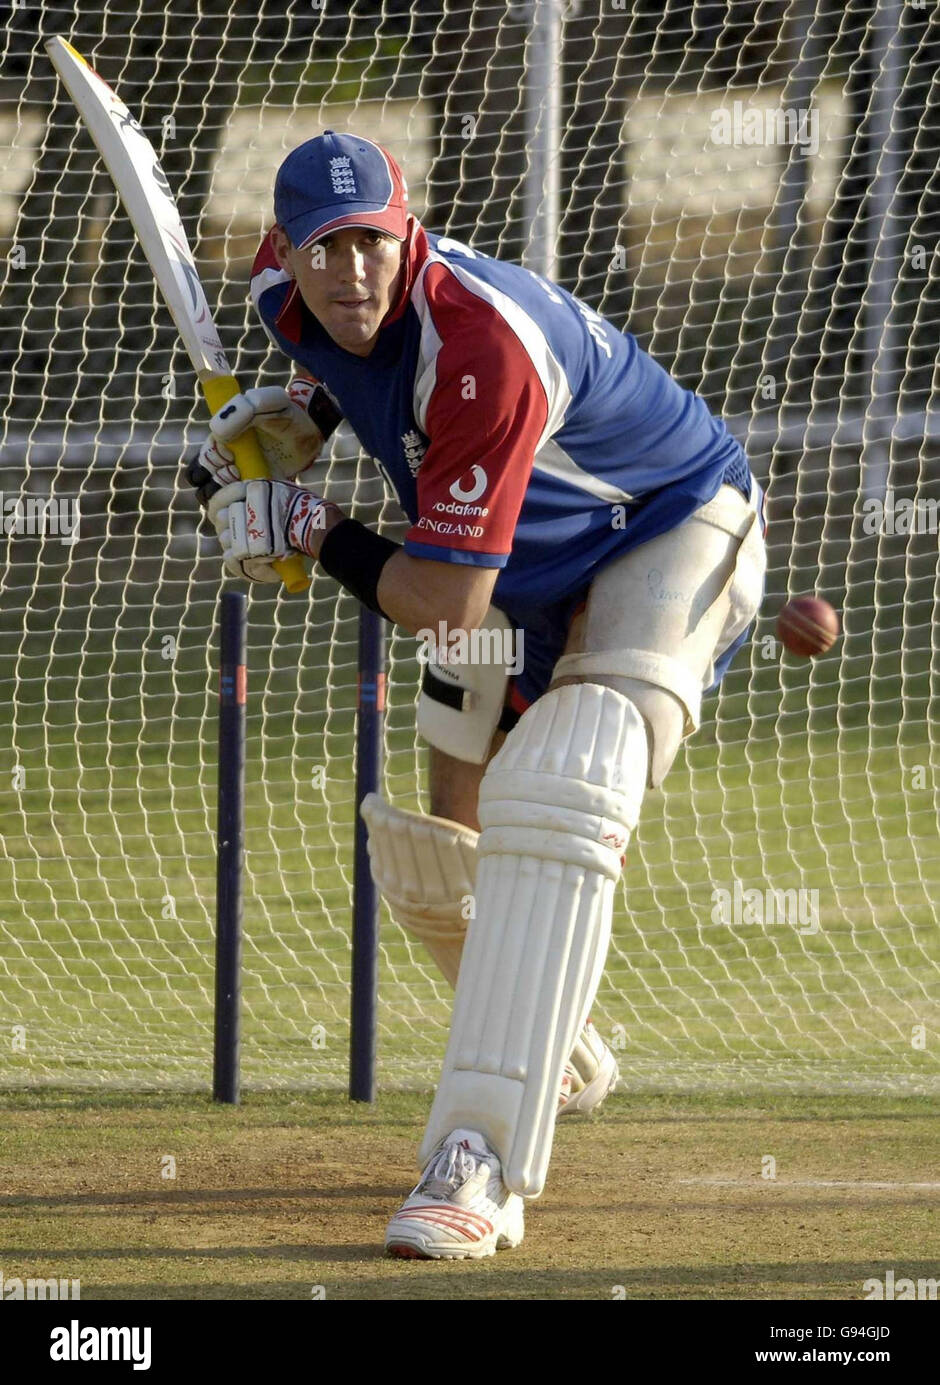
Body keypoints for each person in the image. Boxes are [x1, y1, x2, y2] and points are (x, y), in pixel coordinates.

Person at [188, 130, 766, 1260]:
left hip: (667, 525)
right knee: (438, 852)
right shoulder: (283, 298)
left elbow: (447, 608)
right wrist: (302, 422)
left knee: (568, 774)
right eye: (327, 250)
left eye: (374, 245)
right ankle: (553, 1047)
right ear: (286, 254)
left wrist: (310, 528)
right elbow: (339, 377)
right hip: (518, 576)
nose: (353, 274)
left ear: (410, 233)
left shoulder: (484, 347)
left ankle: (478, 1159)